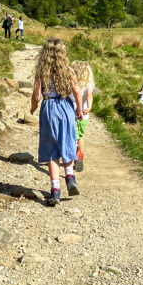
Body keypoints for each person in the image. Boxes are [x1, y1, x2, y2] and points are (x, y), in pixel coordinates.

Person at [30, 38, 83, 206]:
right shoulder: (68, 71)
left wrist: (33, 107)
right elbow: (76, 91)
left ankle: (55, 191)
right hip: (65, 107)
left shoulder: (42, 72)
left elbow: (36, 94)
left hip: (49, 109)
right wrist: (79, 109)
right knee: (67, 142)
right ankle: (70, 177)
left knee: (52, 149)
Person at [70, 61, 94, 172]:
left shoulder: (71, 83)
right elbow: (89, 95)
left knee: (70, 135)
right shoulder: (87, 85)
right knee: (79, 137)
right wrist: (89, 107)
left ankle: (72, 155)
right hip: (84, 114)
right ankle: (79, 159)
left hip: (71, 113)